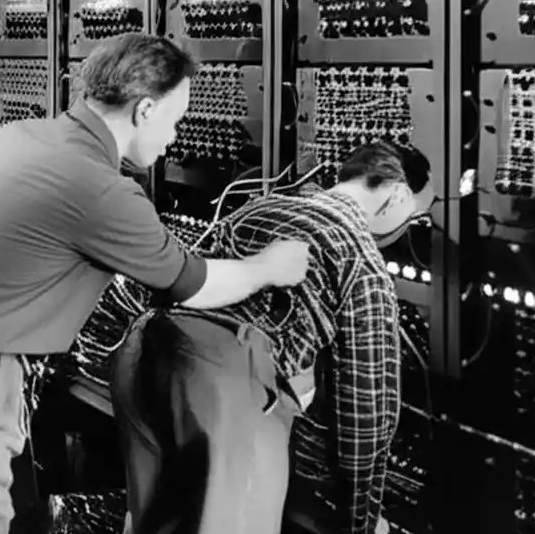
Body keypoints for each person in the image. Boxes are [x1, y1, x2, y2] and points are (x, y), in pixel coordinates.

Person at [0, 33, 311, 532]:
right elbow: (194, 285)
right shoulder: (98, 188)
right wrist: (270, 266)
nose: (175, 137)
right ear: (144, 110)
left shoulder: (27, 134)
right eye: (176, 119)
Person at [109, 141, 435, 534]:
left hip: (142, 353)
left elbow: (182, 279)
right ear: (399, 195)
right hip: (226, 388)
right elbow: (366, 409)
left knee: (156, 521)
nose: (408, 229)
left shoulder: (261, 207)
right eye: (416, 217)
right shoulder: (361, 260)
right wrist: (360, 521)